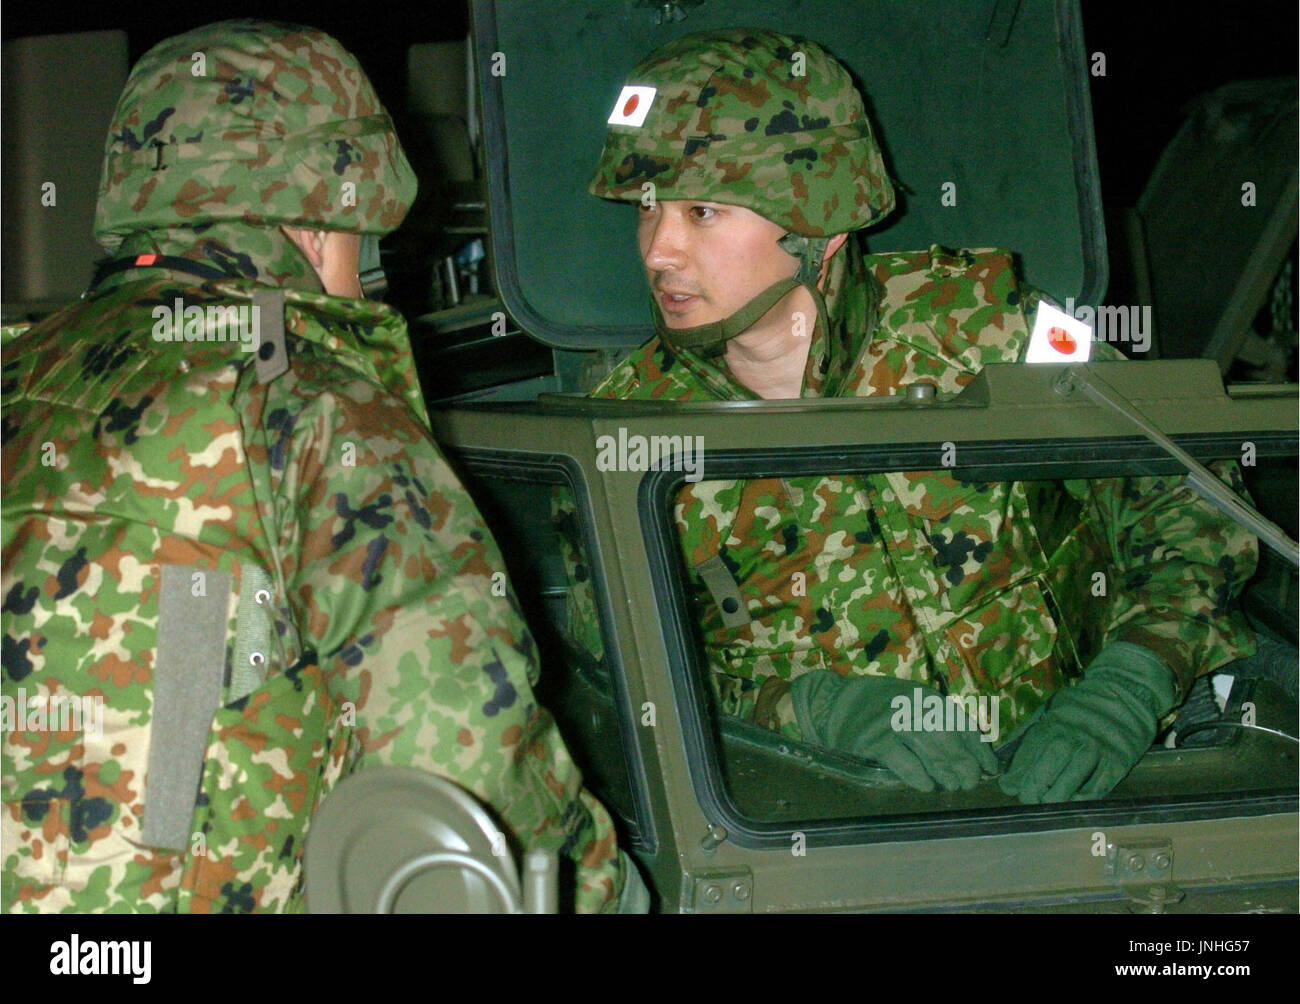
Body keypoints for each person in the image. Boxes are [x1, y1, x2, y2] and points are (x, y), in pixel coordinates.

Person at [1, 19, 633, 913]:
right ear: (317, 216)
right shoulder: (309, 403)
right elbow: (466, 758)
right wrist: (603, 890)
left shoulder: (21, 367)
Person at [578, 27, 1258, 802]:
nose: (658, 250)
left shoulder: (991, 326)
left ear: (819, 223)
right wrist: (800, 709)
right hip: (819, 831)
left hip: (1084, 791)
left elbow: (1189, 490)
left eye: (701, 211)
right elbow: (616, 668)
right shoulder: (628, 432)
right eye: (647, 211)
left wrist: (1131, 683)